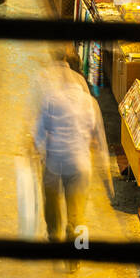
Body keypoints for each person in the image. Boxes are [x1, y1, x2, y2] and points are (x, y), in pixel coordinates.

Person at [33, 53, 110, 258]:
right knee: (78, 213)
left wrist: (35, 150)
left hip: (54, 161)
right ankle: (77, 253)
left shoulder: (52, 98)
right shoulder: (90, 103)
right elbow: (98, 137)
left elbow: (39, 133)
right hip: (80, 165)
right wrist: (104, 168)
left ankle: (53, 236)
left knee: (50, 200)